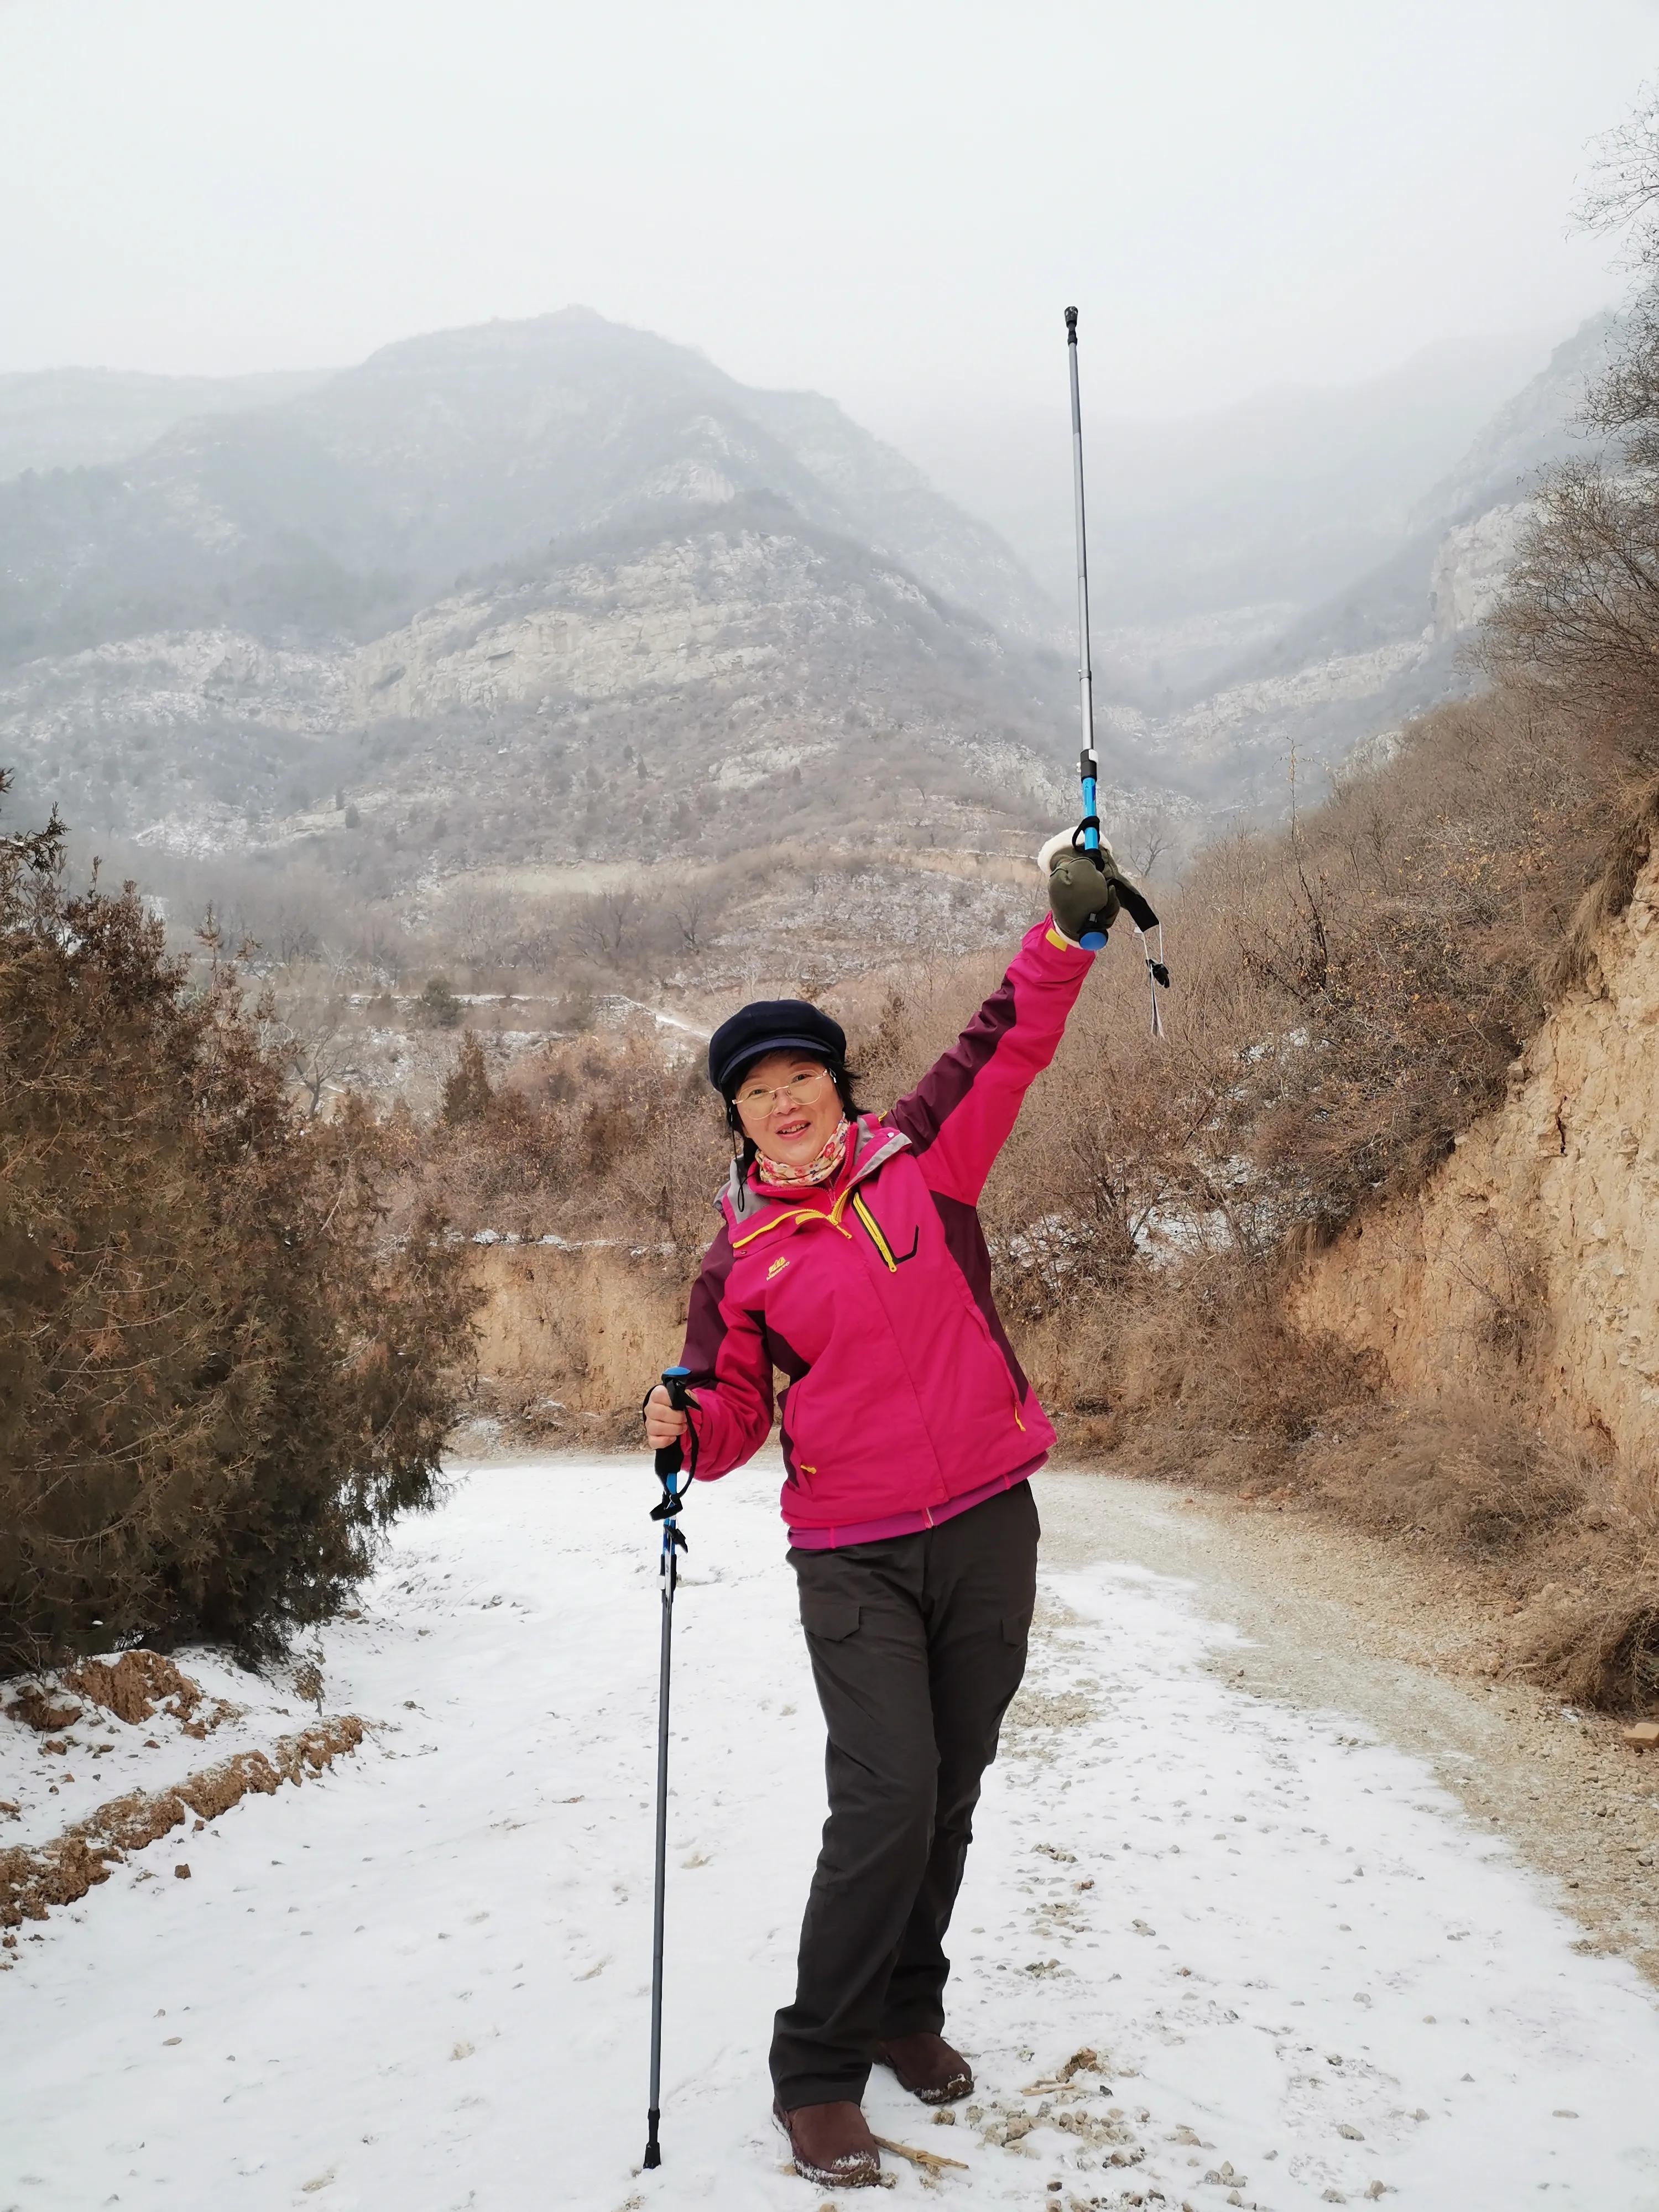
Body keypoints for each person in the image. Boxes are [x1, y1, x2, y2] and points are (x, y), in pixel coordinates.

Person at [644, 842, 1124, 2190]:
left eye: (801, 1080)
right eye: (757, 1093)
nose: (784, 1104)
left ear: (834, 1088)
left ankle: (912, 2003)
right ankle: (817, 2067)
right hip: (850, 1550)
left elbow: (1004, 1041)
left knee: (953, 1782)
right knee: (886, 1797)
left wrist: (1068, 935)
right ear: (736, 1122)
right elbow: (728, 1415)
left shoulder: (923, 1161)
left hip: (985, 1519)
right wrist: (683, 1424)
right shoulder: (738, 1261)